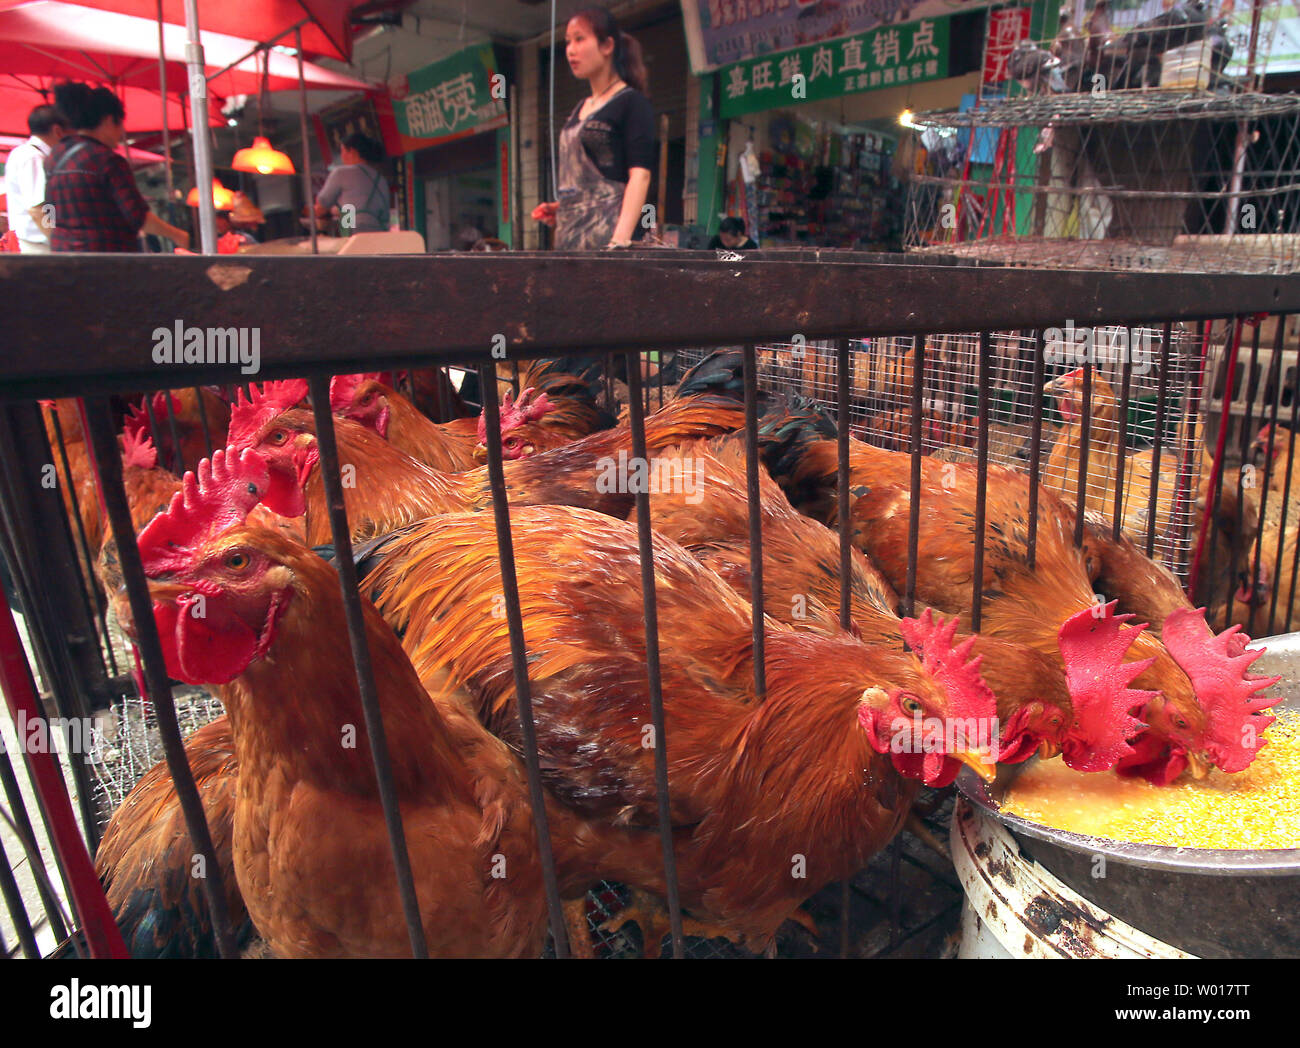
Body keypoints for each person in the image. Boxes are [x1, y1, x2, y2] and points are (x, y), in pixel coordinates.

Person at [532, 8, 654, 250]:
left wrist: (619, 242)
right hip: (570, 240)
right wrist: (565, 207)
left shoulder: (631, 102)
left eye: (579, 39)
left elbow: (640, 176)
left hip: (608, 239)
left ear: (607, 46)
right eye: (568, 42)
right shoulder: (580, 108)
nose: (570, 50)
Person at [44, 83, 189, 252]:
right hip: (107, 259)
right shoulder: (107, 160)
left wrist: (62, 236)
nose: (121, 132)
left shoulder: (54, 156)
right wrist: (177, 234)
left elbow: (49, 210)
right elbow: (138, 217)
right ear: (107, 120)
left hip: (63, 255)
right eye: (119, 124)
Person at [5, 105, 67, 254]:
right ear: (57, 131)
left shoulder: (22, 152)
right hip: (38, 246)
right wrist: (56, 241)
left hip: (30, 243)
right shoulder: (35, 157)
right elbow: (39, 208)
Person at [314, 131, 389, 234]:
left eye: (342, 151)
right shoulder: (381, 179)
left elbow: (321, 206)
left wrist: (324, 210)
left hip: (351, 232)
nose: (341, 156)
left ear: (352, 152)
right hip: (378, 235)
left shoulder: (341, 173)